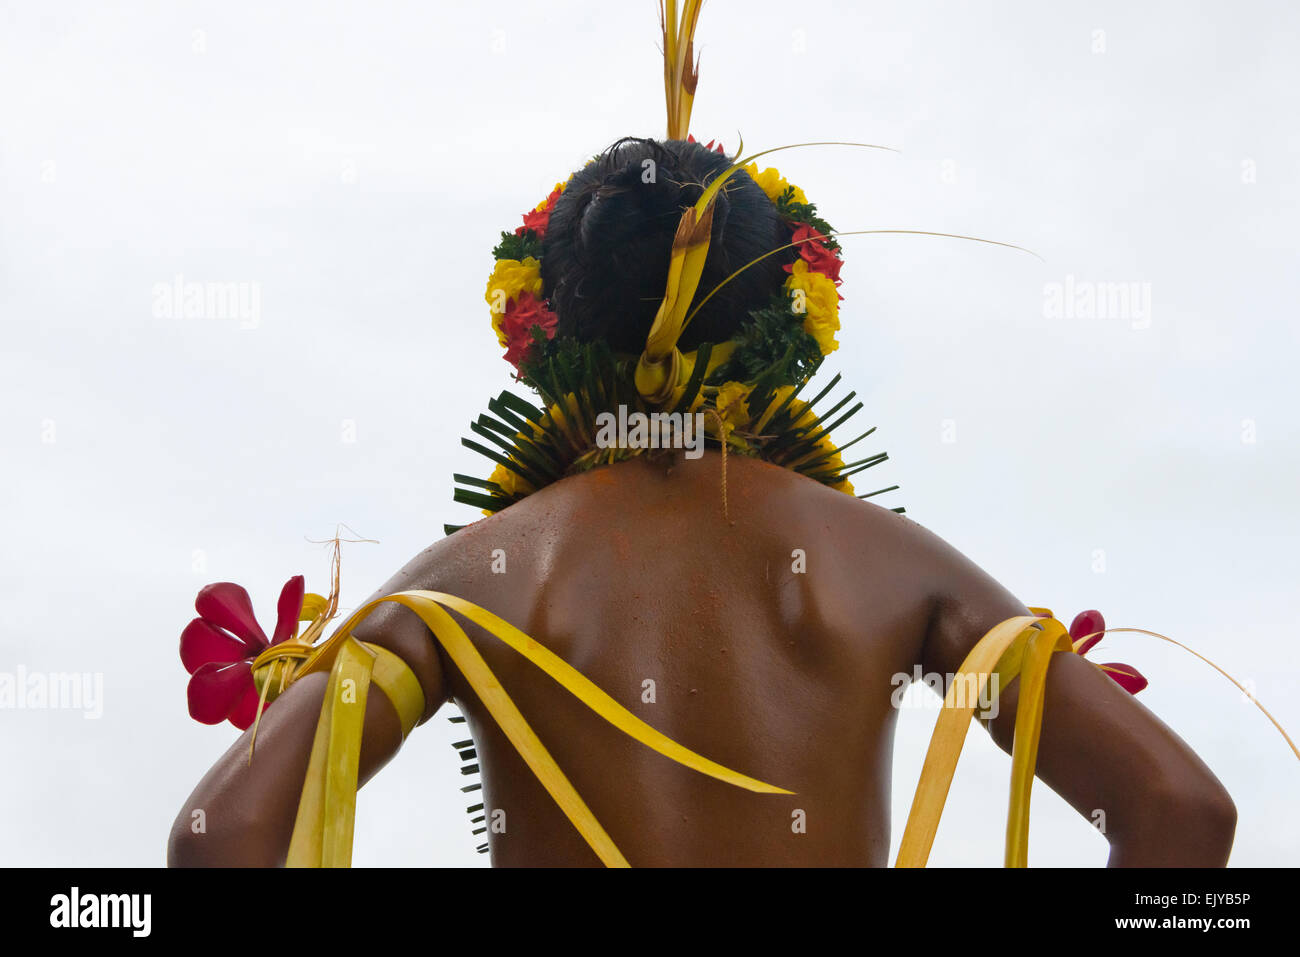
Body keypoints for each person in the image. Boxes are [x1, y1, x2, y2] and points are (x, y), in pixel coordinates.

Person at [167, 135, 1236, 867]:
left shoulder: (475, 579)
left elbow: (221, 837)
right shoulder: (891, 564)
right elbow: (1180, 810)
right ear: (785, 314)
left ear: (550, 325)